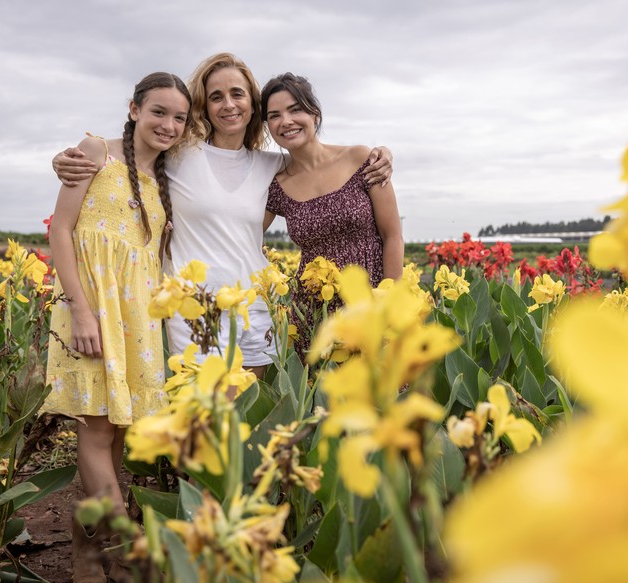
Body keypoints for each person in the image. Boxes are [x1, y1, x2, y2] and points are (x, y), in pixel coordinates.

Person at [53, 53, 393, 377]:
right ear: (204, 106)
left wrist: (381, 153)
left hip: (256, 309)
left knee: (246, 414)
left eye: (237, 94)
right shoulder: (177, 154)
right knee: (207, 416)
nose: (228, 104)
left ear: (252, 105)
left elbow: (317, 167)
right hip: (196, 310)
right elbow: (130, 151)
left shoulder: (274, 167)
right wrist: (70, 157)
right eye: (216, 97)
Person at [42, 72, 192, 583]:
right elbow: (60, 229)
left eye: (178, 117)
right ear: (133, 109)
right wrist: (80, 310)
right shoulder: (94, 151)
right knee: (97, 431)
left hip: (139, 318)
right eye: (158, 112)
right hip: (91, 309)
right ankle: (128, 549)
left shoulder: (167, 178)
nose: (168, 124)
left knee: (121, 438)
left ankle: (85, 555)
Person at [261, 73, 403, 354]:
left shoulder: (361, 158)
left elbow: (393, 236)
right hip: (316, 313)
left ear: (314, 114)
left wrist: (390, 302)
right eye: (274, 115)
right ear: (268, 126)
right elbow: (241, 232)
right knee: (320, 396)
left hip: (371, 300)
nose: (286, 121)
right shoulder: (276, 185)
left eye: (295, 109)